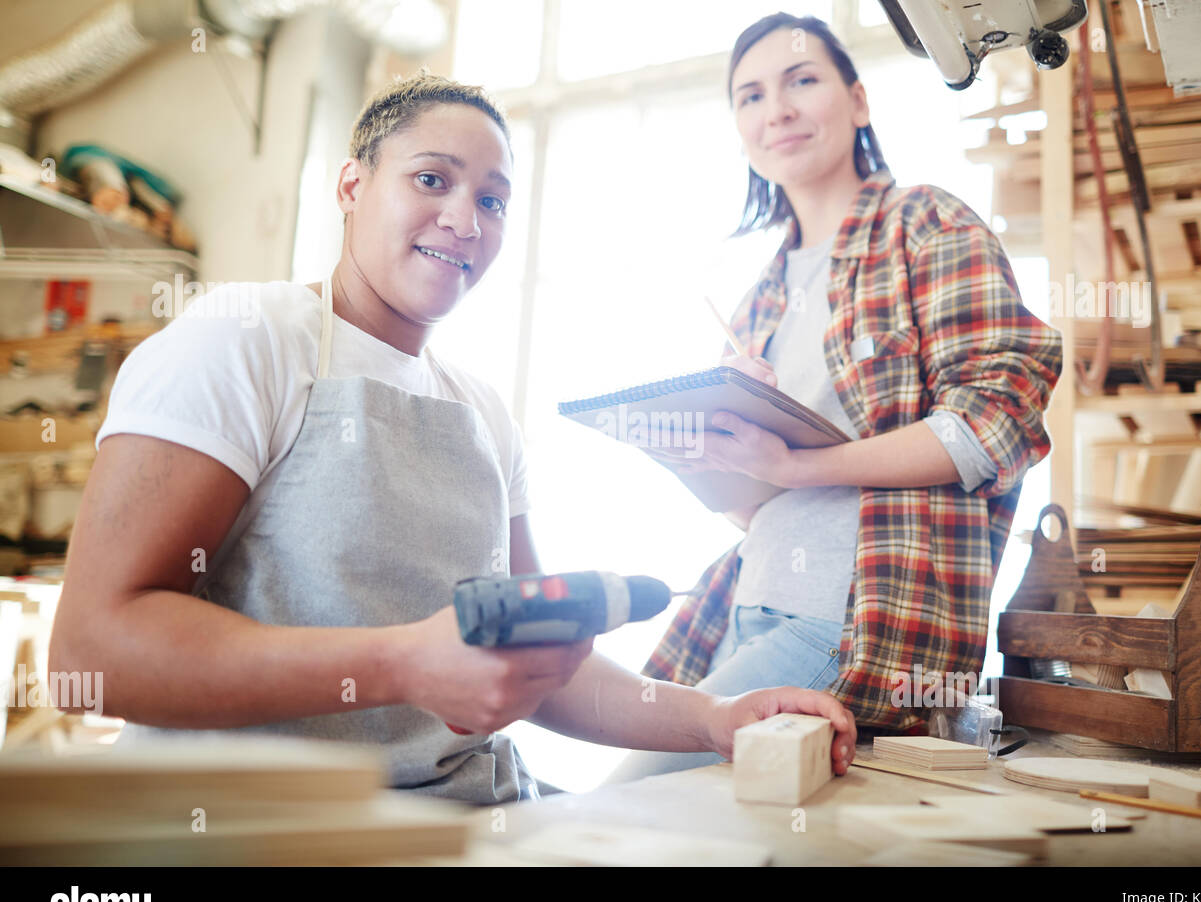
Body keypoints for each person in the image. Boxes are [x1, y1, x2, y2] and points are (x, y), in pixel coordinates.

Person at [49, 70, 856, 804]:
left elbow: (547, 671)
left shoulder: (480, 411)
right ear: (352, 185)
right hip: (264, 829)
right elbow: (91, 655)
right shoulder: (246, 340)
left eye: (494, 200)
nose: (466, 221)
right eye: (431, 179)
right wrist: (399, 665)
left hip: (472, 817)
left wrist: (713, 719)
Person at [607, 14, 1062, 783]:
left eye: (801, 80)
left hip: (849, 619)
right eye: (749, 96)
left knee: (618, 811)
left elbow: (997, 423)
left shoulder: (927, 225)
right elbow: (757, 506)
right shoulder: (759, 303)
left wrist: (799, 467)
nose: (775, 110)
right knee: (651, 803)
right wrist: (693, 456)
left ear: (858, 101)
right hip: (744, 606)